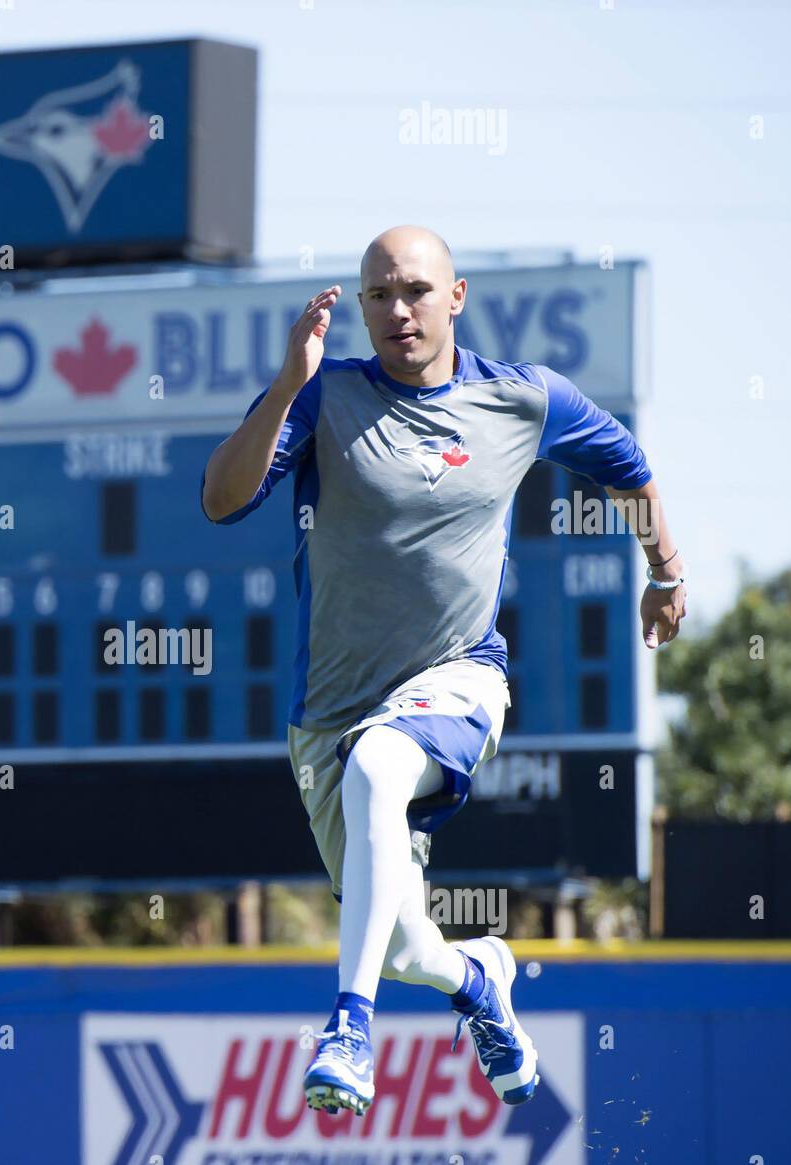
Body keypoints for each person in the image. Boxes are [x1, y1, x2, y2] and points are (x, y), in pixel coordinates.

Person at [200, 226, 685, 1116]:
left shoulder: (522, 398)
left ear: (455, 298)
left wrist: (666, 575)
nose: (397, 310)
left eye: (416, 290)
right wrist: (287, 383)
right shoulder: (326, 397)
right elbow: (221, 501)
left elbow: (632, 473)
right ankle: (476, 978)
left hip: (460, 678)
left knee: (383, 763)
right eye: (379, 294)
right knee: (399, 944)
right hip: (326, 713)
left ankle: (349, 1030)